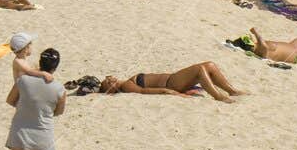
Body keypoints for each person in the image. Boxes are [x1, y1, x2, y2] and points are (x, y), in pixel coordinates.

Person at [99, 62, 245, 102]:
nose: (109, 79)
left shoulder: (126, 83)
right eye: (107, 83)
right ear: (111, 90)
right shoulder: (126, 86)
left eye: (107, 78)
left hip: (173, 79)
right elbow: (145, 91)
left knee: (210, 65)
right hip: (171, 84)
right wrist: (173, 93)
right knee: (200, 69)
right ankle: (218, 96)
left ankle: (232, 90)